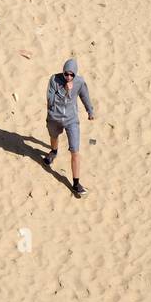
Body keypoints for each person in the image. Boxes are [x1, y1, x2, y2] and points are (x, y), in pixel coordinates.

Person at [43, 58, 94, 198]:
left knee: (75, 151)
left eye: (72, 75)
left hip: (71, 120)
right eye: (66, 74)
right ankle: (53, 152)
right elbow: (50, 101)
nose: (69, 77)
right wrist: (63, 90)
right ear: (63, 71)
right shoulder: (54, 80)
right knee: (54, 137)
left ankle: (76, 184)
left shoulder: (79, 82)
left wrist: (90, 110)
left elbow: (85, 96)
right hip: (55, 117)